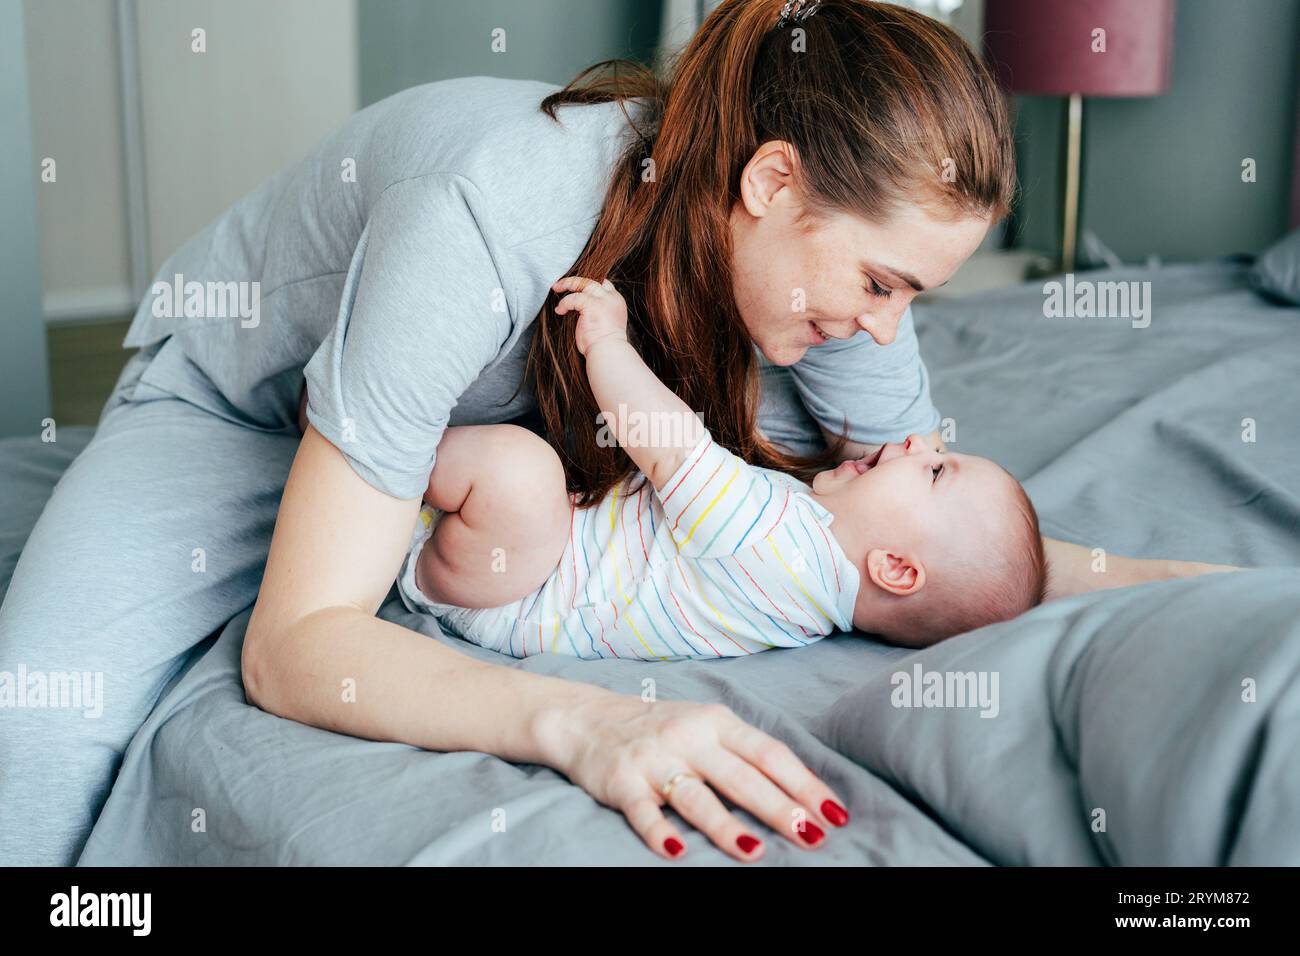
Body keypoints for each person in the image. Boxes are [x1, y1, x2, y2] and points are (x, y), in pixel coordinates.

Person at [0, 0, 1230, 865]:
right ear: (772, 185)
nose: (881, 327)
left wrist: (1194, 587)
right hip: (248, 415)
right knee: (33, 723)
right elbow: (294, 647)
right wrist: (593, 722)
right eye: (880, 283)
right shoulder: (483, 211)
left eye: (912, 297)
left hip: (467, 443)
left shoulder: (826, 291)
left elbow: (938, 533)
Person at [397, 274, 1046, 662]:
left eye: (935, 471)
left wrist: (607, 345)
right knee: (525, 475)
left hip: (512, 588)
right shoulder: (809, 592)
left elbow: (672, 445)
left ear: (896, 570)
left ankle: (389, 442)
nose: (916, 445)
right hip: (530, 553)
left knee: (520, 470)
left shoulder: (782, 548)